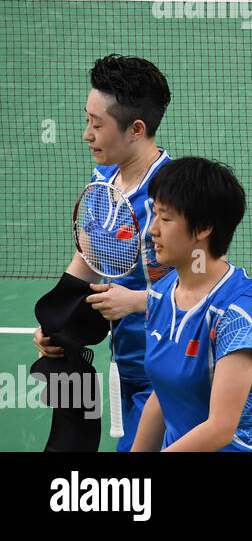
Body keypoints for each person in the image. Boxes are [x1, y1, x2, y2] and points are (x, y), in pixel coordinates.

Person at [34, 54, 173, 451]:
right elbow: (91, 257)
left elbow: (205, 294)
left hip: (171, 369)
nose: (85, 134)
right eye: (86, 120)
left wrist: (135, 301)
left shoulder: (174, 195)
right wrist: (56, 324)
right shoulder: (104, 179)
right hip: (126, 363)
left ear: (136, 129)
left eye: (97, 125)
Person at [131, 156, 252, 452]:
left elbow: (220, 429)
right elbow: (163, 395)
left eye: (166, 217)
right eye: (155, 215)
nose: (152, 230)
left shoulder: (236, 314)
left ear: (203, 228)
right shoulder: (162, 295)